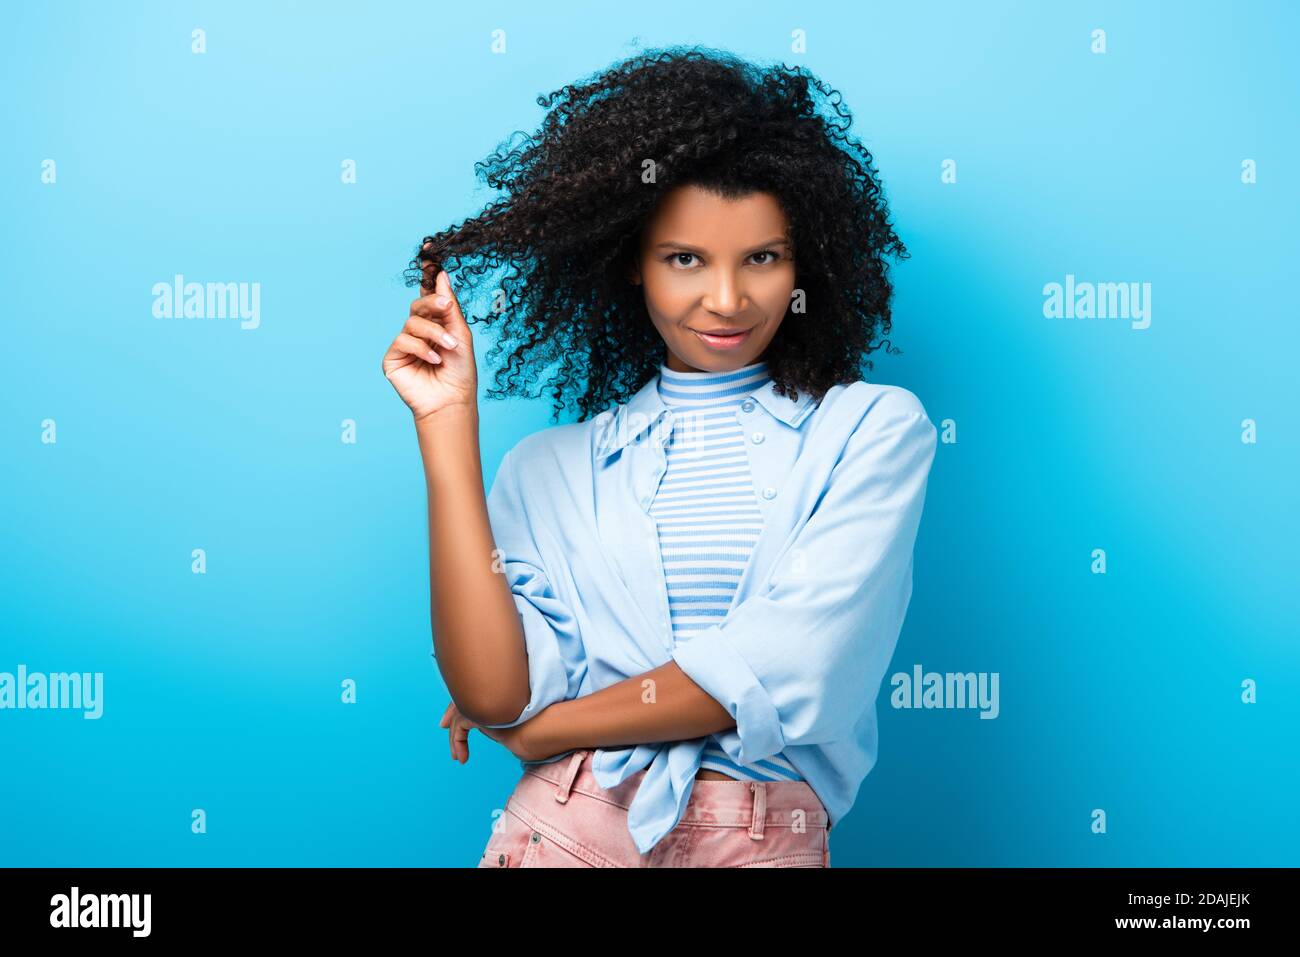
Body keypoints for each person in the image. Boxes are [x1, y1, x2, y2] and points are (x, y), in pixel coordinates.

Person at [382, 46, 938, 867]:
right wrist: (446, 426)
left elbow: (793, 668)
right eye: (685, 259)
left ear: (805, 264)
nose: (727, 298)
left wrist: (547, 728)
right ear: (632, 266)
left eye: (762, 257)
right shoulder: (547, 469)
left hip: (760, 839)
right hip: (564, 829)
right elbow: (493, 690)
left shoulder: (870, 431)